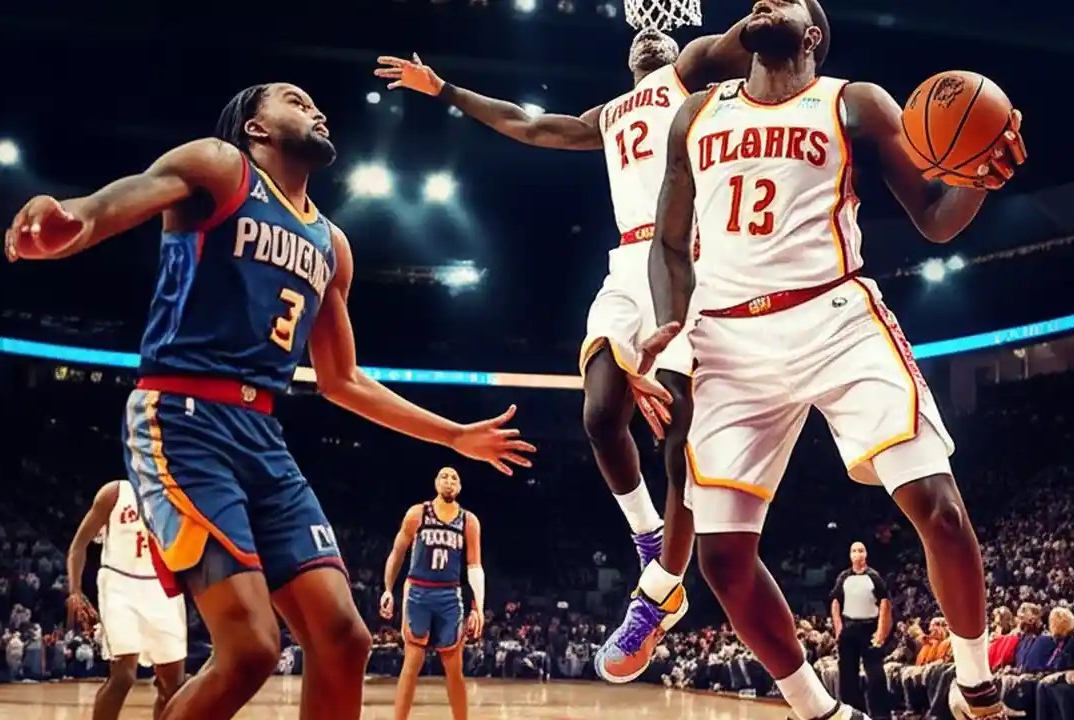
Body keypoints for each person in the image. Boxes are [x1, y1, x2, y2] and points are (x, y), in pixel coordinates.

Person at [4, 82, 536, 720]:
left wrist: (452, 436)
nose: (317, 109)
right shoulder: (221, 167)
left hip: (261, 434)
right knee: (252, 649)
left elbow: (343, 380)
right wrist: (69, 218)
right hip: (180, 417)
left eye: (316, 103)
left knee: (345, 638)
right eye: (295, 100)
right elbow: (121, 200)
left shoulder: (332, 245)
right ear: (255, 129)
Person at [636, 0, 1028, 718]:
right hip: (725, 334)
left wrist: (976, 177)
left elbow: (935, 217)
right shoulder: (695, 114)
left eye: (782, 0)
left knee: (938, 509)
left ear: (813, 34)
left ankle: (976, 689)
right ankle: (821, 709)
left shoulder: (855, 102)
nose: (761, 4)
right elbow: (667, 241)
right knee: (721, 558)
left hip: (834, 314)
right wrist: (666, 324)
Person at [375, 25, 763, 682]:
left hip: (692, 259)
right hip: (628, 262)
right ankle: (647, 538)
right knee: (599, 410)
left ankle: (662, 588)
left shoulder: (689, 75)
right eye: (639, 38)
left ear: (671, 54)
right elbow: (529, 127)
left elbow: (742, 40)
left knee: (679, 442)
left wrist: (768, 20)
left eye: (660, 37)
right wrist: (443, 88)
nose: (649, 36)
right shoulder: (609, 114)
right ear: (626, 62)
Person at [66, 479, 187, 719]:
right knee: (123, 676)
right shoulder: (115, 493)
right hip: (120, 584)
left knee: (173, 685)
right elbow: (78, 546)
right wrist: (75, 591)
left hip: (162, 588)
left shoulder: (180, 495)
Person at [380, 467, 485, 720]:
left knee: (454, 668)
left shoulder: (468, 521)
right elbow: (397, 553)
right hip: (418, 592)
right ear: (435, 482)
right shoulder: (417, 514)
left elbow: (474, 566)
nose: (449, 480)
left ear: (459, 487)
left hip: (449, 596)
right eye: (444, 476)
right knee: (411, 664)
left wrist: (478, 607)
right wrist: (387, 590)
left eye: (455, 478)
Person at [831, 542, 891, 719]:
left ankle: (881, 715)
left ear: (866, 554)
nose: (857, 554)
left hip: (870, 628)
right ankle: (854, 713)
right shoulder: (843, 577)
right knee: (848, 675)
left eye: (861, 550)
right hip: (849, 628)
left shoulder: (874, 577)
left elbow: (885, 603)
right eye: (854, 551)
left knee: (876, 675)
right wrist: (838, 629)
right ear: (850, 555)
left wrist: (881, 631)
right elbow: (835, 602)